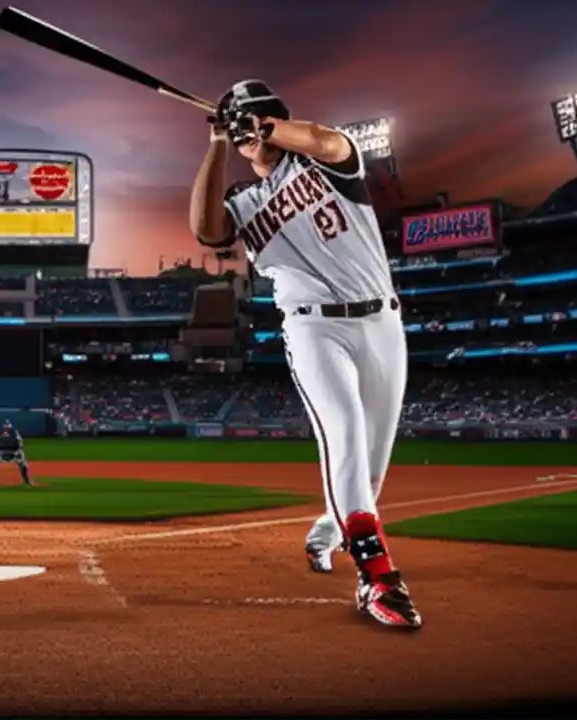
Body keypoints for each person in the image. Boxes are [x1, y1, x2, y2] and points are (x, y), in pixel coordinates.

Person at [188, 80, 419, 629]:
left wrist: (261, 126)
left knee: (371, 472)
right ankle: (378, 580)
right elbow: (205, 229)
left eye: (257, 119)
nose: (249, 132)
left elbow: (322, 139)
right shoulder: (244, 202)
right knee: (343, 434)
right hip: (314, 330)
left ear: (273, 118)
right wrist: (219, 142)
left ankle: (326, 533)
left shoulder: (331, 163)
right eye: (244, 122)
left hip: (382, 322)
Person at [0, 419, 32, 486]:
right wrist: (19, 453)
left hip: (1, 453)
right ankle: (26, 480)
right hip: (13, 453)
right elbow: (20, 444)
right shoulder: (15, 432)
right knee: (23, 464)